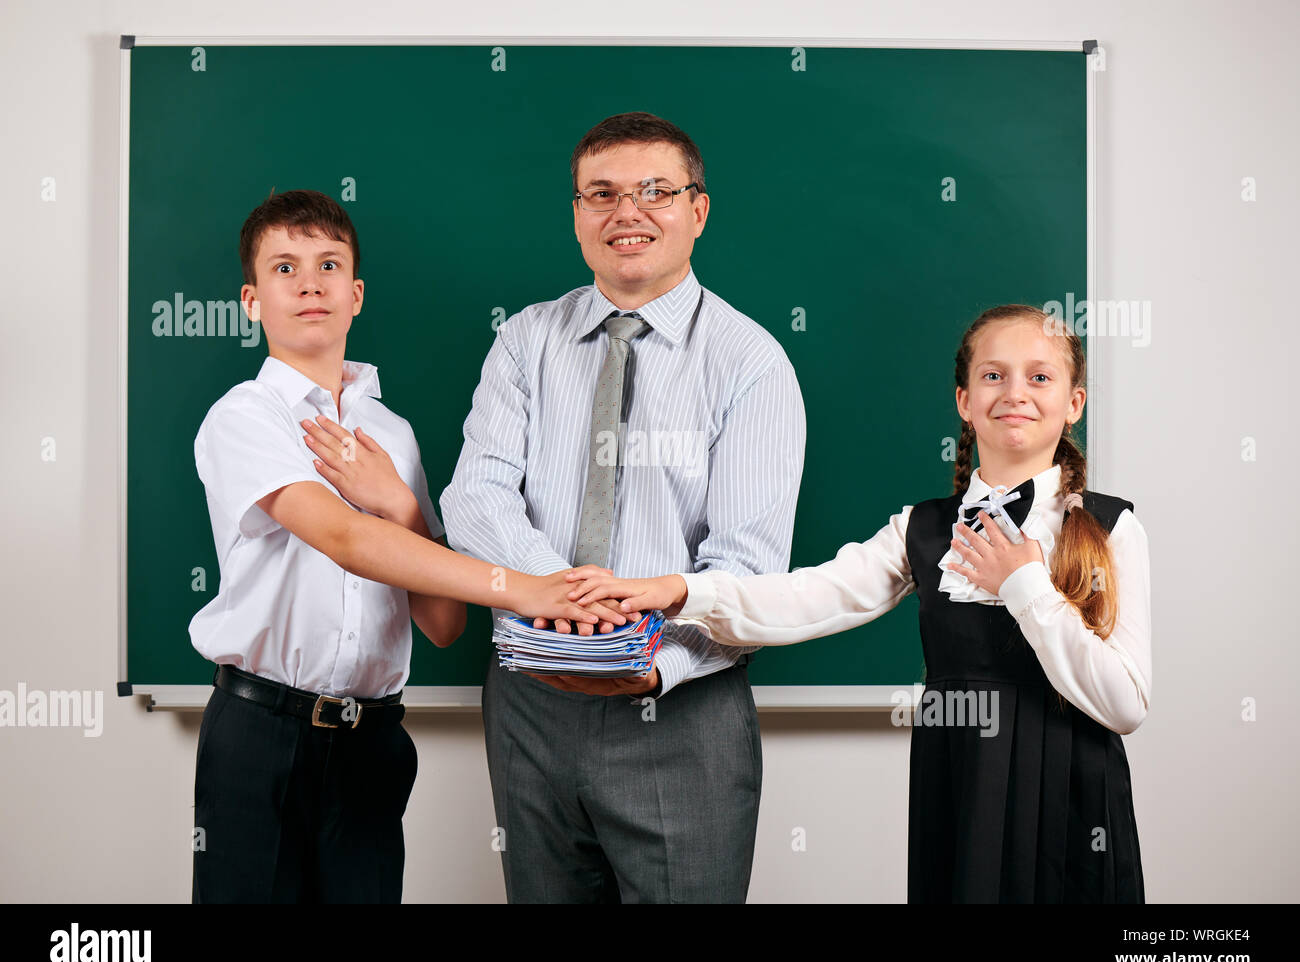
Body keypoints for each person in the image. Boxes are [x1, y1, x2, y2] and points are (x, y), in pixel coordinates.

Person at [569, 304, 1151, 903]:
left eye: (1040, 376)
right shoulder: (921, 529)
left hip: (1072, 793)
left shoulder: (1112, 528)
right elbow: (812, 596)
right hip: (959, 785)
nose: (1015, 393)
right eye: (993, 375)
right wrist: (686, 590)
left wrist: (1027, 586)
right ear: (964, 402)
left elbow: (1126, 703)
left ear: (1074, 403)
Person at [189, 190, 626, 903]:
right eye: (285, 268)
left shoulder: (391, 435)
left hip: (372, 739)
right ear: (250, 298)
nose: (309, 284)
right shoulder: (243, 416)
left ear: (356, 294)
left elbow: (444, 622)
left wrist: (399, 501)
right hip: (262, 733)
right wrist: (524, 587)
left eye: (329, 265)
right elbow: (342, 536)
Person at [439, 112, 806, 903]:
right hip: (530, 700)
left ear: (697, 211)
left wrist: (644, 659)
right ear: (576, 214)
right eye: (600, 194)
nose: (626, 213)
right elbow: (474, 496)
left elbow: (746, 566)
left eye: (655, 191)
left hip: (680, 704)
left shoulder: (752, 362)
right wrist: (568, 601)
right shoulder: (525, 341)